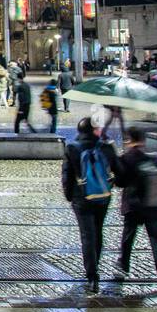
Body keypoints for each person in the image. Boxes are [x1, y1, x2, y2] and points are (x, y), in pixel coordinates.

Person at [113, 125, 157, 294]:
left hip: (133, 207)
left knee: (127, 241)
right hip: (153, 207)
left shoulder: (128, 157)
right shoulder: (153, 157)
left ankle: (122, 270)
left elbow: (120, 182)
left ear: (129, 140)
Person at [62, 117, 118, 293]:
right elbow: (117, 170)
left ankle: (92, 276)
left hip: (82, 197)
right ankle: (96, 265)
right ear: (94, 130)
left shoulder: (72, 148)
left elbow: (67, 175)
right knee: (98, 231)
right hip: (103, 196)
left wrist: (70, 196)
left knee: (87, 235)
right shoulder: (106, 146)